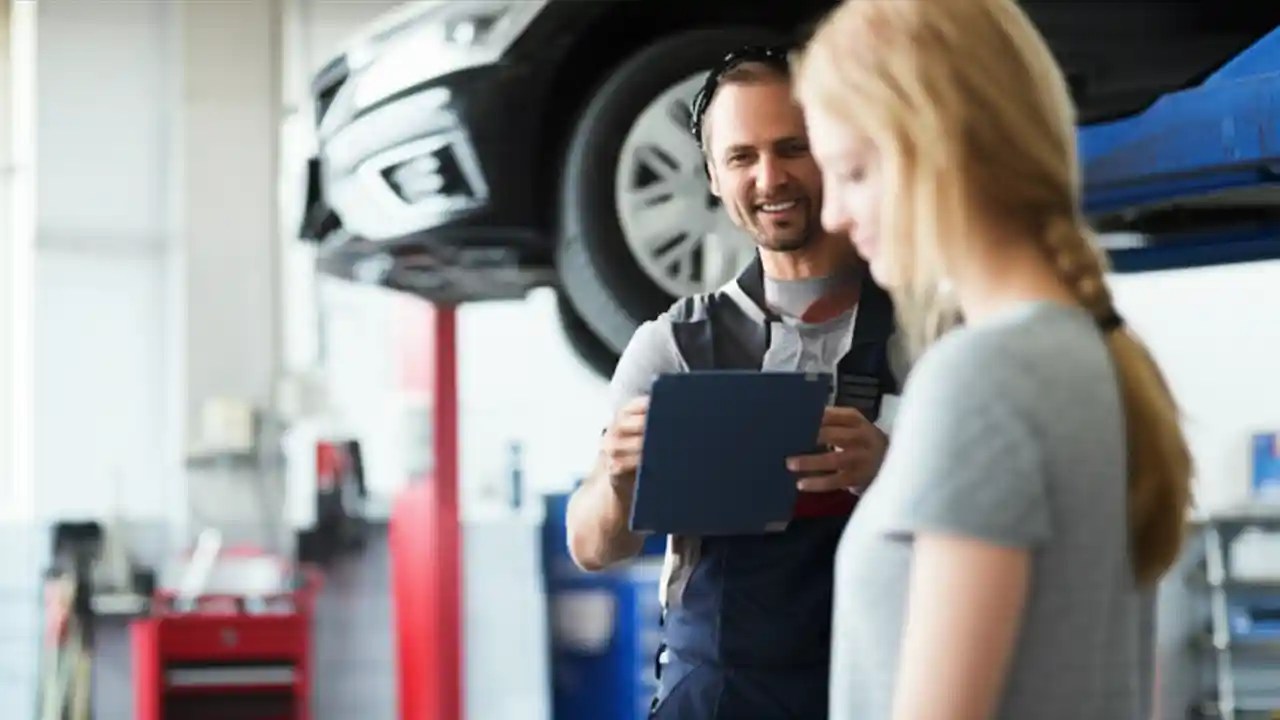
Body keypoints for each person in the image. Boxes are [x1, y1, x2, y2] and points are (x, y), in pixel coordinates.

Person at [790, 1, 1194, 718]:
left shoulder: (983, 379)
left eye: (852, 171)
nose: (833, 217)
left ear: (937, 140)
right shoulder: (1088, 356)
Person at [564, 45, 907, 719]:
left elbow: (1000, 532)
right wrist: (616, 476)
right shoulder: (674, 347)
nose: (770, 176)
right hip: (715, 699)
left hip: (879, 691)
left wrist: (889, 473)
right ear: (715, 178)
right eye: (742, 157)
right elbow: (593, 548)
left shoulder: (925, 336)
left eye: (793, 147)